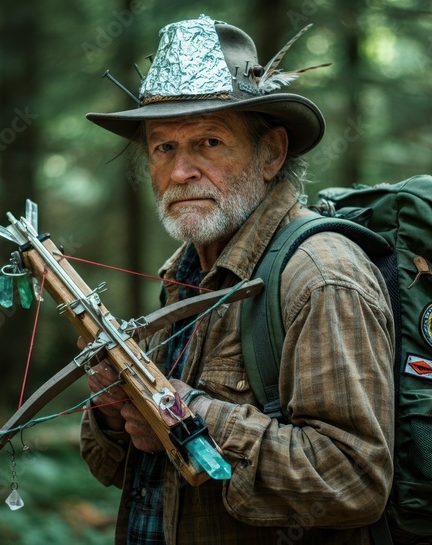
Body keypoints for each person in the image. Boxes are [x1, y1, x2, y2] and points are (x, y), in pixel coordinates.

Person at [80, 15, 395, 545]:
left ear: (270, 153)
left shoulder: (320, 277)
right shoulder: (186, 273)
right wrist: (119, 416)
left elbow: (355, 480)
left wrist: (195, 415)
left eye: (209, 142)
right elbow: (125, 473)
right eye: (164, 147)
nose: (181, 172)